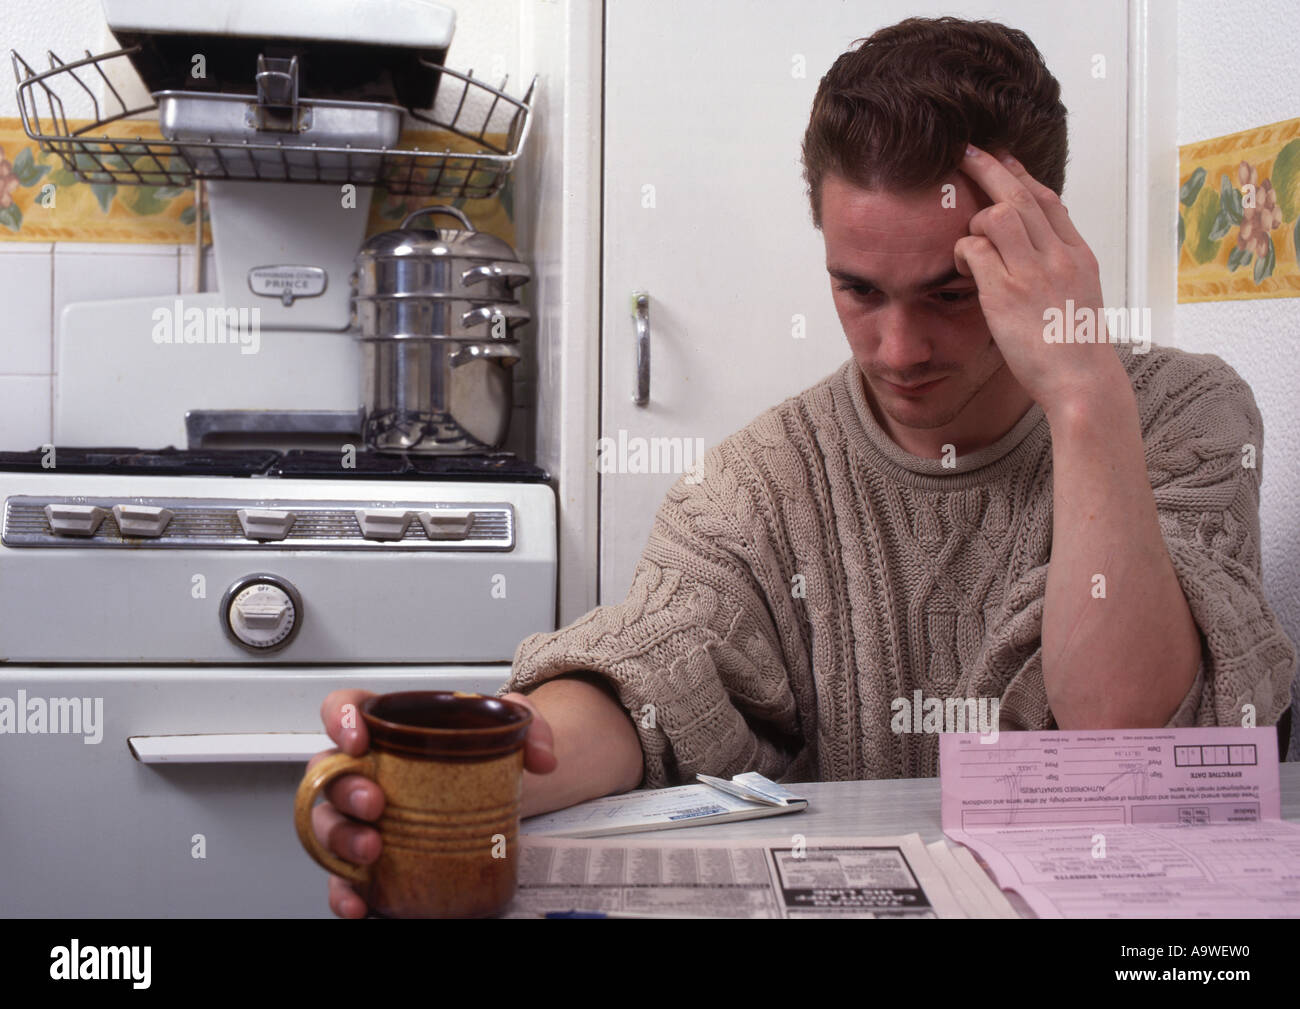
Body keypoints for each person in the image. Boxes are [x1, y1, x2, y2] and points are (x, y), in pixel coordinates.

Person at [306, 16, 1297, 918]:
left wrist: (1082, 397)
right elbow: (652, 675)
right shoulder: (758, 481)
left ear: (1037, 244)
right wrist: (481, 766)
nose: (898, 347)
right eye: (857, 289)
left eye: (950, 293)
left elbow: (1126, 748)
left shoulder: (1174, 415)